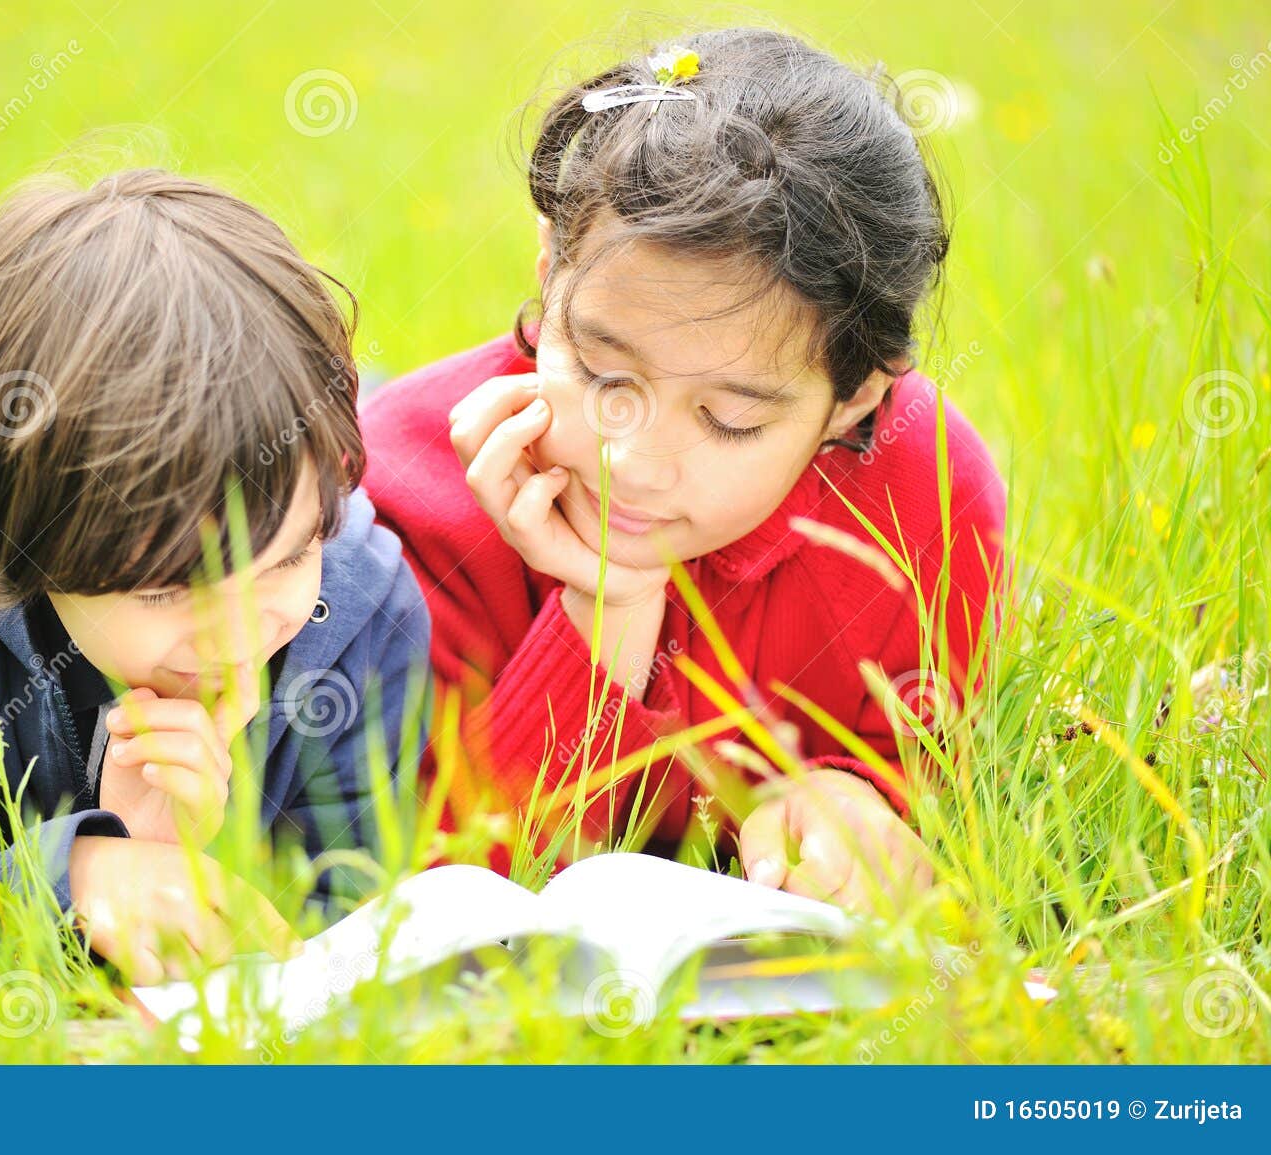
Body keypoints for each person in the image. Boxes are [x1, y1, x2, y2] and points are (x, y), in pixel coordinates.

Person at [361, 28, 1007, 912]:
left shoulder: (925, 500)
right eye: (599, 370)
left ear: (855, 400)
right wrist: (608, 608)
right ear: (549, 268)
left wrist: (861, 800)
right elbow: (444, 888)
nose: (632, 463)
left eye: (730, 419)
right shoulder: (403, 495)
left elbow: (922, 771)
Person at [0, 169, 431, 982]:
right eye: (166, 589)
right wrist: (74, 875)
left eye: (290, 556)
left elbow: (348, 917)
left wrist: (210, 845)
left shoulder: (359, 617)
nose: (239, 630)